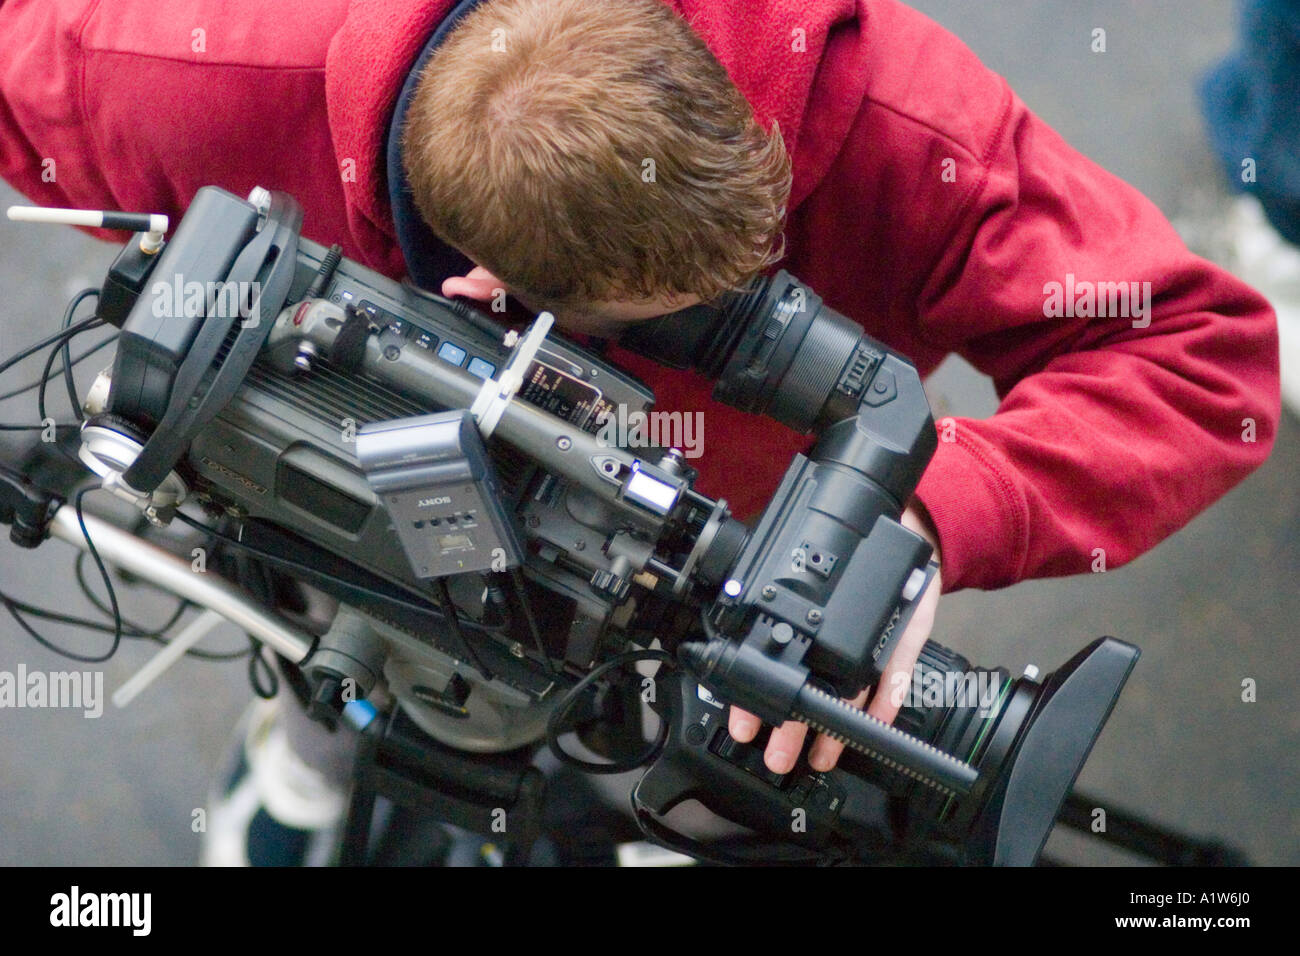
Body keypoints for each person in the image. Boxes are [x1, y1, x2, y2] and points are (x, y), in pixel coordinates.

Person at [0, 0, 1279, 860]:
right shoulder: (185, 65)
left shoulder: (895, 114)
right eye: (692, 325)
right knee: (342, 662)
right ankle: (308, 764)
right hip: (341, 532)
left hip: (709, 590)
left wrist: (931, 520)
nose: (741, 319)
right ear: (485, 290)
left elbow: (1202, 352)